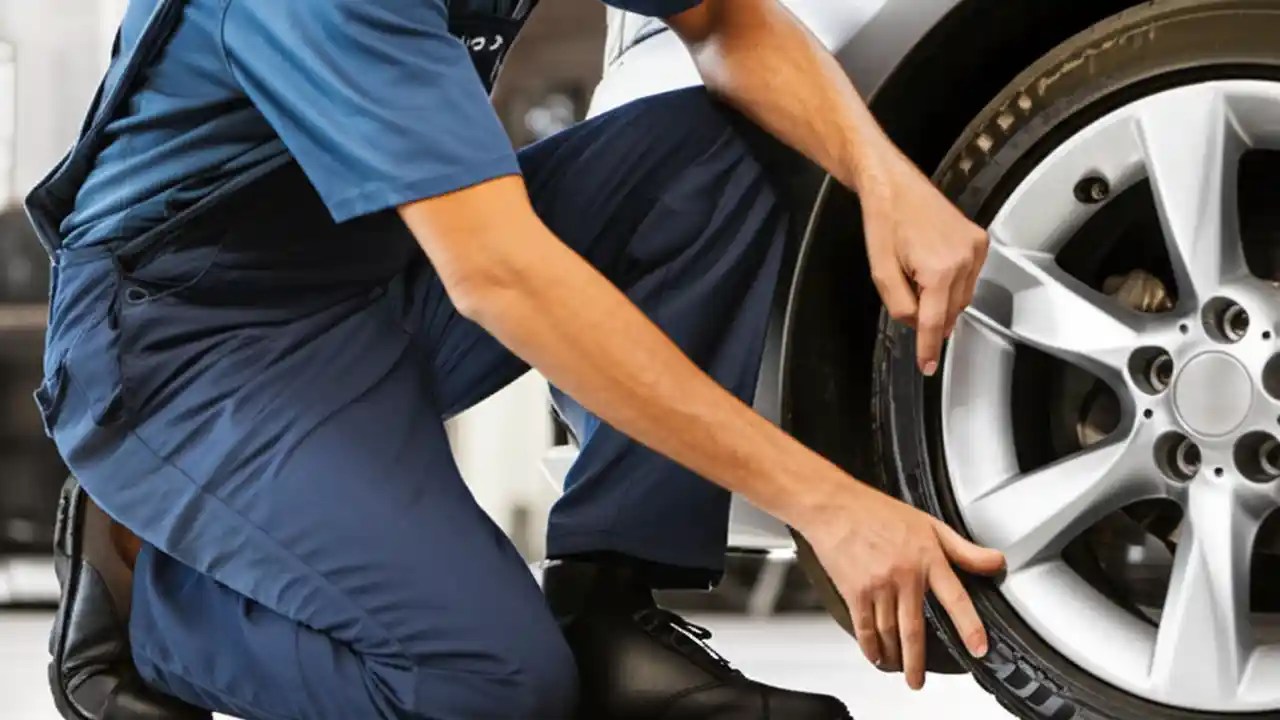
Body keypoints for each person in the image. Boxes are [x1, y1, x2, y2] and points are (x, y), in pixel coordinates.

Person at [28, 0, 1005, 718]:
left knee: (715, 158)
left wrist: (886, 180)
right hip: (190, 341)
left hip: (377, 274)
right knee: (490, 689)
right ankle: (149, 601)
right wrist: (824, 501)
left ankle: (609, 607)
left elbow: (725, 19)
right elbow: (500, 277)